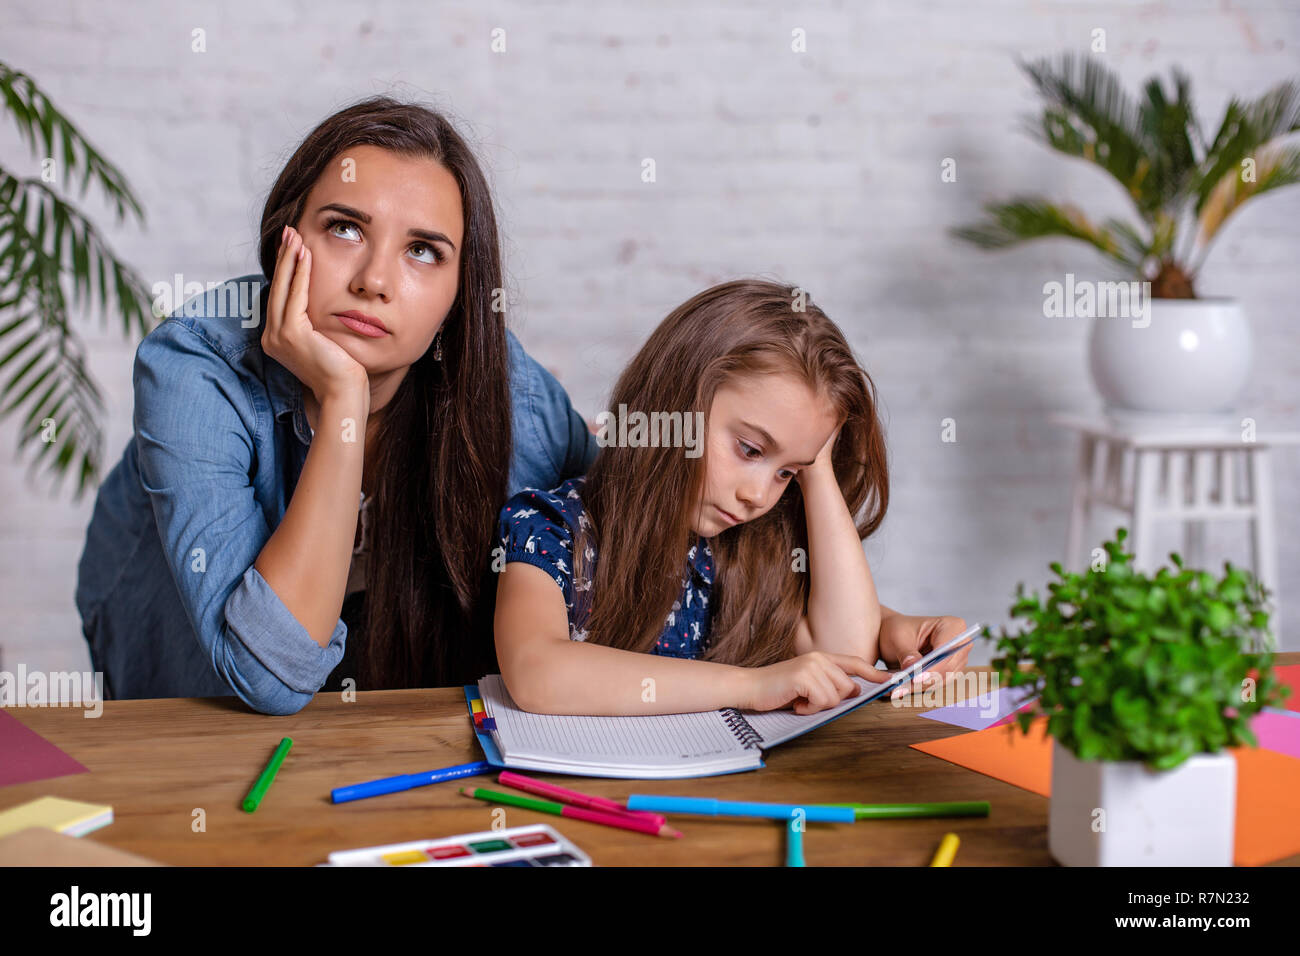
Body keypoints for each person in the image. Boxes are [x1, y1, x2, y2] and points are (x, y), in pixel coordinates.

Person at [75, 97, 594, 714]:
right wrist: (343, 399)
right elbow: (266, 677)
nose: (373, 280)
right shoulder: (196, 365)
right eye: (345, 227)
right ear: (286, 236)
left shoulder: (514, 396)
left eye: (422, 250)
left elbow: (624, 552)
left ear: (461, 293)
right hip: (176, 629)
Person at [494, 280, 971, 716]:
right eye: (749, 449)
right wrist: (749, 686)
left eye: (786, 472)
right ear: (676, 403)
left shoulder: (743, 553)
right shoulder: (550, 528)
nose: (757, 495)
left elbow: (848, 651)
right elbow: (538, 673)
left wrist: (817, 466)